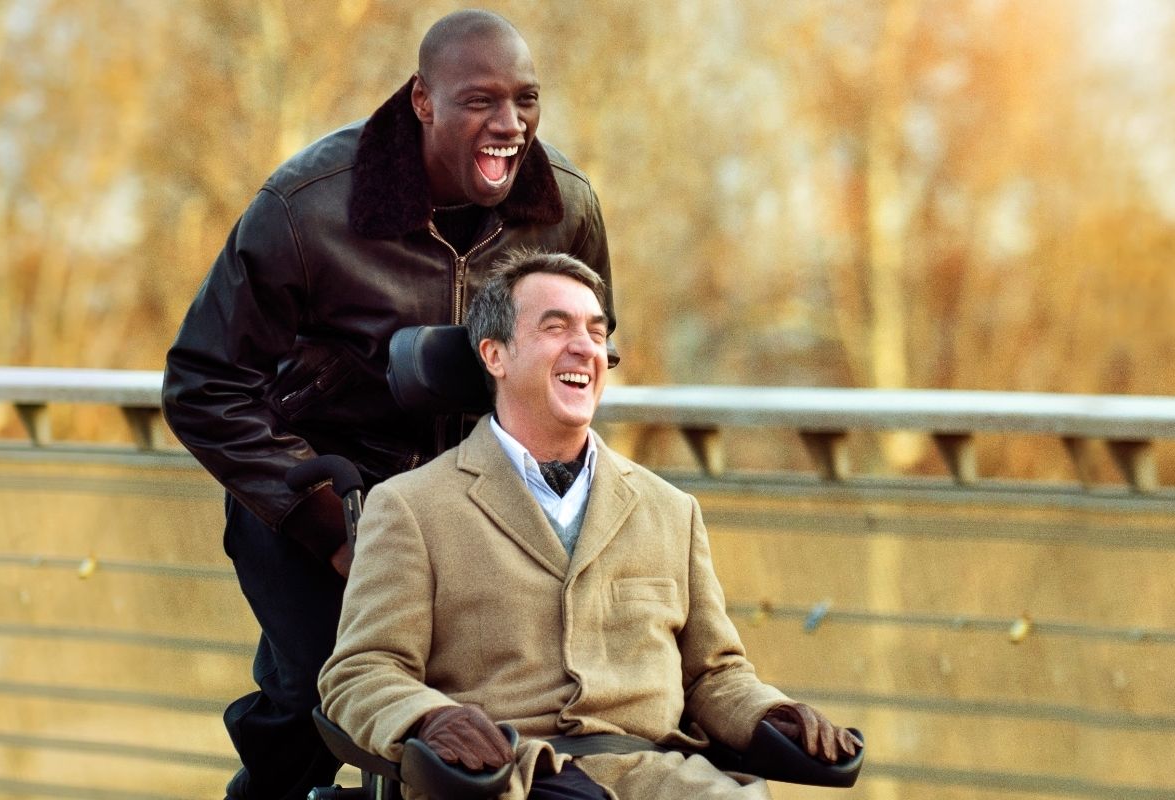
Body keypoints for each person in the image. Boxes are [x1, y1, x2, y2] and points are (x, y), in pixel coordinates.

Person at [161, 10, 613, 798]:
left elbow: (586, 357)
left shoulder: (563, 208)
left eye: (526, 100)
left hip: (475, 502)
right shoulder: (307, 207)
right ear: (423, 101)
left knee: (500, 711)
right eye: (480, 100)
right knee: (320, 692)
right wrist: (323, 520)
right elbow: (204, 383)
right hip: (318, 494)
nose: (510, 124)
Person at [318, 251, 859, 800]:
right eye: (556, 327)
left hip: (659, 776)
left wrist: (772, 713)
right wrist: (428, 718)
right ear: (495, 354)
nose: (585, 347)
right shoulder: (411, 507)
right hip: (508, 776)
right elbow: (362, 670)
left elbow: (712, 674)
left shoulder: (671, 511)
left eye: (596, 333)